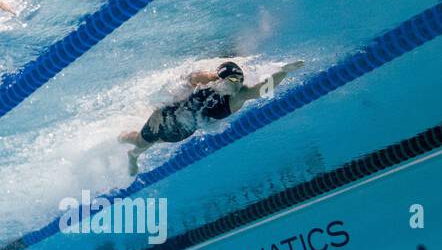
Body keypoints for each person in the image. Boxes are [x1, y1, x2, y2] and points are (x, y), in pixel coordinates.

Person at [118, 59, 305, 175]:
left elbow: (263, 88)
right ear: (220, 79)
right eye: (230, 80)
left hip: (186, 127)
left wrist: (283, 71)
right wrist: (164, 103)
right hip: (168, 116)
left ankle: (131, 148)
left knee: (155, 142)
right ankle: (127, 148)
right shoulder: (208, 81)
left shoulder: (239, 96)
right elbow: (182, 83)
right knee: (141, 142)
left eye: (238, 80)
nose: (235, 84)